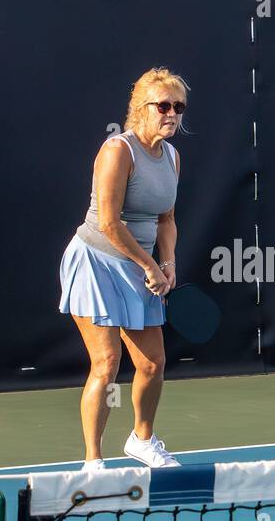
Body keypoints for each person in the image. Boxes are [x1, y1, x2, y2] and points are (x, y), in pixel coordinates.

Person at [60, 68, 188, 470]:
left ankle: (142, 439)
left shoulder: (171, 156)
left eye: (179, 107)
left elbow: (166, 218)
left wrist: (166, 264)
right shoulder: (118, 150)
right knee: (107, 362)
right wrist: (149, 264)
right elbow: (110, 223)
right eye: (163, 105)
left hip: (141, 265)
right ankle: (93, 461)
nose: (172, 113)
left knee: (152, 363)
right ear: (141, 109)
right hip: (96, 261)